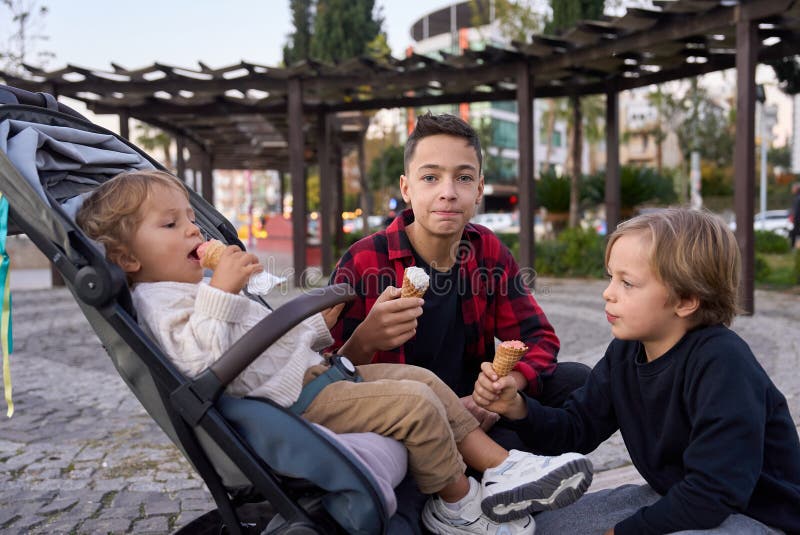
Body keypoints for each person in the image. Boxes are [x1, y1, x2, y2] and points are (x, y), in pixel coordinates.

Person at [76, 170, 594, 535]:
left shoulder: (487, 252)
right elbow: (197, 365)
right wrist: (223, 291)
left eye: (190, 217)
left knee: (423, 380)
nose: (192, 230)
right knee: (415, 406)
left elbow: (273, 339)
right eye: (170, 225)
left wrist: (324, 328)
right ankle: (457, 506)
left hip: (323, 372)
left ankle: (507, 468)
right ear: (124, 257)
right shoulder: (159, 302)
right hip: (297, 400)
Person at [473, 208, 800, 534]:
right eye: (610, 277)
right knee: (546, 527)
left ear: (685, 300)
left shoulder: (723, 363)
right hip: (674, 495)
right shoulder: (627, 352)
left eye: (627, 283)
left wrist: (625, 531)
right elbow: (576, 427)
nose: (608, 292)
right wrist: (518, 408)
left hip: (754, 515)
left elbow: (714, 491)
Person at [330, 112, 590, 442]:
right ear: (406, 188)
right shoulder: (364, 261)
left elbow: (537, 337)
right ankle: (484, 476)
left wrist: (502, 388)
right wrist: (366, 340)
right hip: (401, 424)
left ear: (479, 189)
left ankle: (489, 472)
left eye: (464, 178)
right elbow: (323, 381)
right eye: (430, 178)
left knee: (577, 382)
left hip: (476, 410)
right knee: (508, 447)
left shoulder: (486, 251)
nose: (449, 192)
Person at [790, 182, 800, 248]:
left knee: (794, 234)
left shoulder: (798, 198)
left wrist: (794, 218)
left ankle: (793, 248)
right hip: (797, 220)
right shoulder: (797, 197)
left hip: (798, 220)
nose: (792, 190)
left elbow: (796, 211)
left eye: (793, 188)